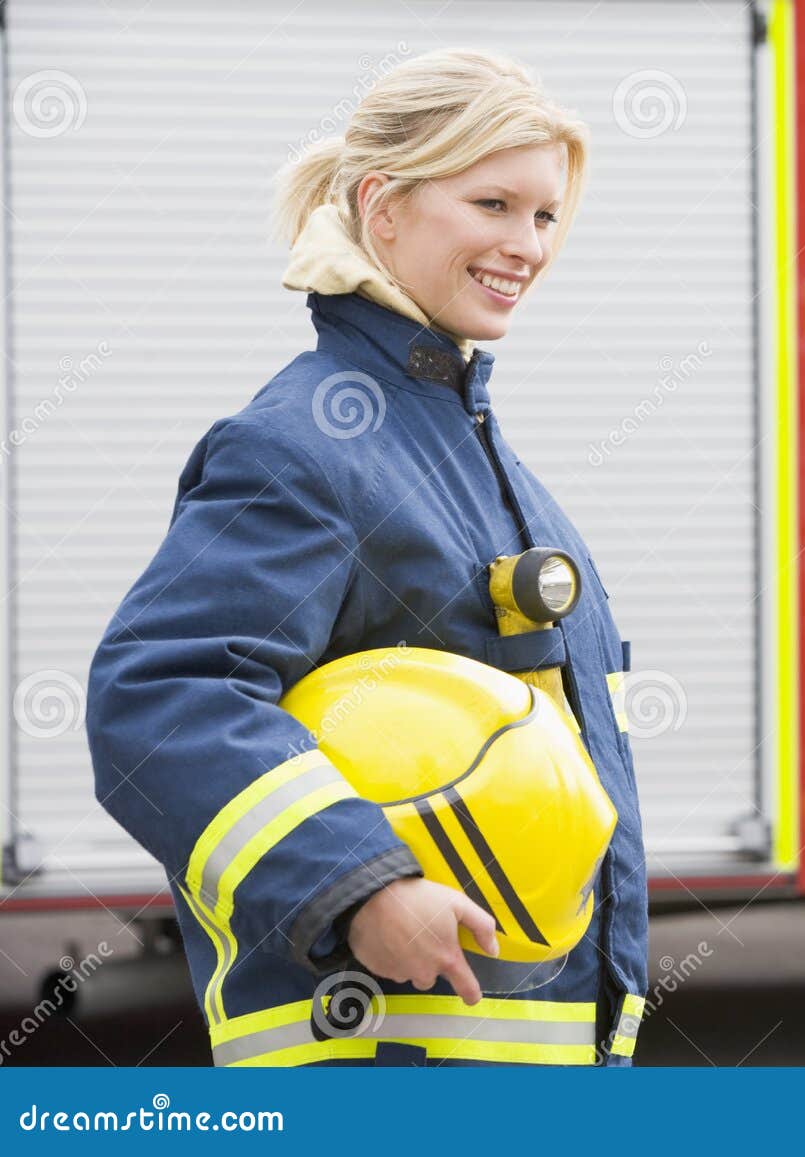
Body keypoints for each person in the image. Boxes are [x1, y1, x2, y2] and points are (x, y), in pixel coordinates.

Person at [85, 49, 648, 1067]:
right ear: (383, 209)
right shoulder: (307, 444)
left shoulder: (467, 451)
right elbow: (159, 697)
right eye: (493, 203)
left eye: (546, 215)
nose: (527, 244)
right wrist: (360, 881)